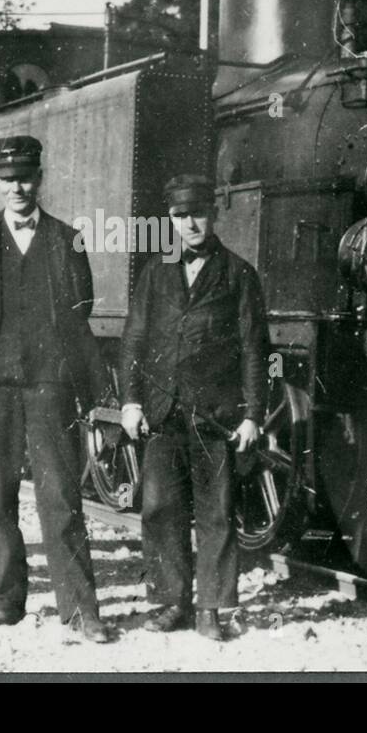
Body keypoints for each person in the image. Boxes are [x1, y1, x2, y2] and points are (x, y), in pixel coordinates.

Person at [0, 135, 113, 643]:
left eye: (26, 176)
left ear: (40, 179)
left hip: (50, 390)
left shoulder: (68, 240)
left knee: (61, 499)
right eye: (7, 178)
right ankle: (5, 601)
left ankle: (81, 611)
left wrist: (89, 395)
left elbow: (81, 321)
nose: (17, 186)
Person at [119, 173, 270, 641]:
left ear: (214, 212)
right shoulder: (155, 273)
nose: (190, 224)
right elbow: (134, 341)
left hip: (215, 415)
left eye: (198, 213)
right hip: (163, 413)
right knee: (160, 509)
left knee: (217, 513)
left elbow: (253, 349)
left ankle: (211, 608)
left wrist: (251, 414)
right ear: (170, 219)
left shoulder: (239, 273)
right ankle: (172, 602)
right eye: (181, 216)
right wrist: (130, 402)